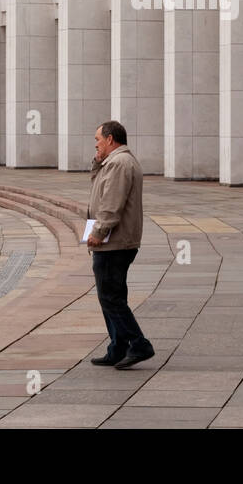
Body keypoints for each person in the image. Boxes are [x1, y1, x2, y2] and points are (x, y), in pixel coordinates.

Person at [86, 120, 154, 369]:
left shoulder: (119, 163)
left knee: (110, 298)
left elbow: (111, 203)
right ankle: (118, 347)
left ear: (111, 139)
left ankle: (139, 344)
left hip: (113, 241)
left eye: (98, 140)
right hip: (116, 241)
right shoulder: (114, 162)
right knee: (113, 295)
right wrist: (97, 160)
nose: (96, 144)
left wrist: (99, 230)